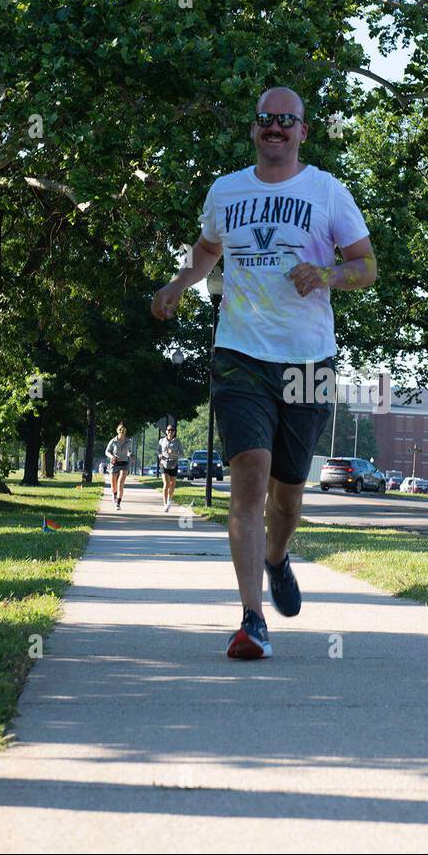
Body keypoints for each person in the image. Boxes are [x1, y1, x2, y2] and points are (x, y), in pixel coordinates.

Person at [151, 86, 377, 659]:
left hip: (309, 360)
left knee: (290, 493)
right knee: (250, 475)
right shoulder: (226, 191)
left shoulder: (327, 192)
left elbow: (367, 266)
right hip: (240, 354)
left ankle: (277, 558)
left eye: (286, 121)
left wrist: (325, 275)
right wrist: (181, 281)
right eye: (265, 120)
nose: (274, 128)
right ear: (254, 129)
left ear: (304, 131)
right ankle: (252, 619)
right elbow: (208, 250)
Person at [104, 424, 134, 511]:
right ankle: (114, 494)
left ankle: (118, 503)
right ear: (117, 431)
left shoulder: (128, 441)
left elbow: (129, 451)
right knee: (114, 485)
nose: (122, 431)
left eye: (123, 430)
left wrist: (130, 455)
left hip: (124, 463)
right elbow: (107, 451)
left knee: (120, 483)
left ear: (125, 431)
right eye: (120, 430)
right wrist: (111, 457)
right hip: (115, 463)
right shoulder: (113, 441)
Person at [158, 424, 184, 513]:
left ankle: (169, 500)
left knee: (172, 485)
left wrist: (173, 453)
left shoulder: (177, 442)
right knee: (166, 483)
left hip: (174, 463)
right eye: (168, 430)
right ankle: (165, 504)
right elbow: (158, 451)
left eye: (172, 430)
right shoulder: (161, 441)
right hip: (164, 464)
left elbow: (182, 454)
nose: (170, 432)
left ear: (174, 432)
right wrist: (160, 456)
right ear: (166, 431)